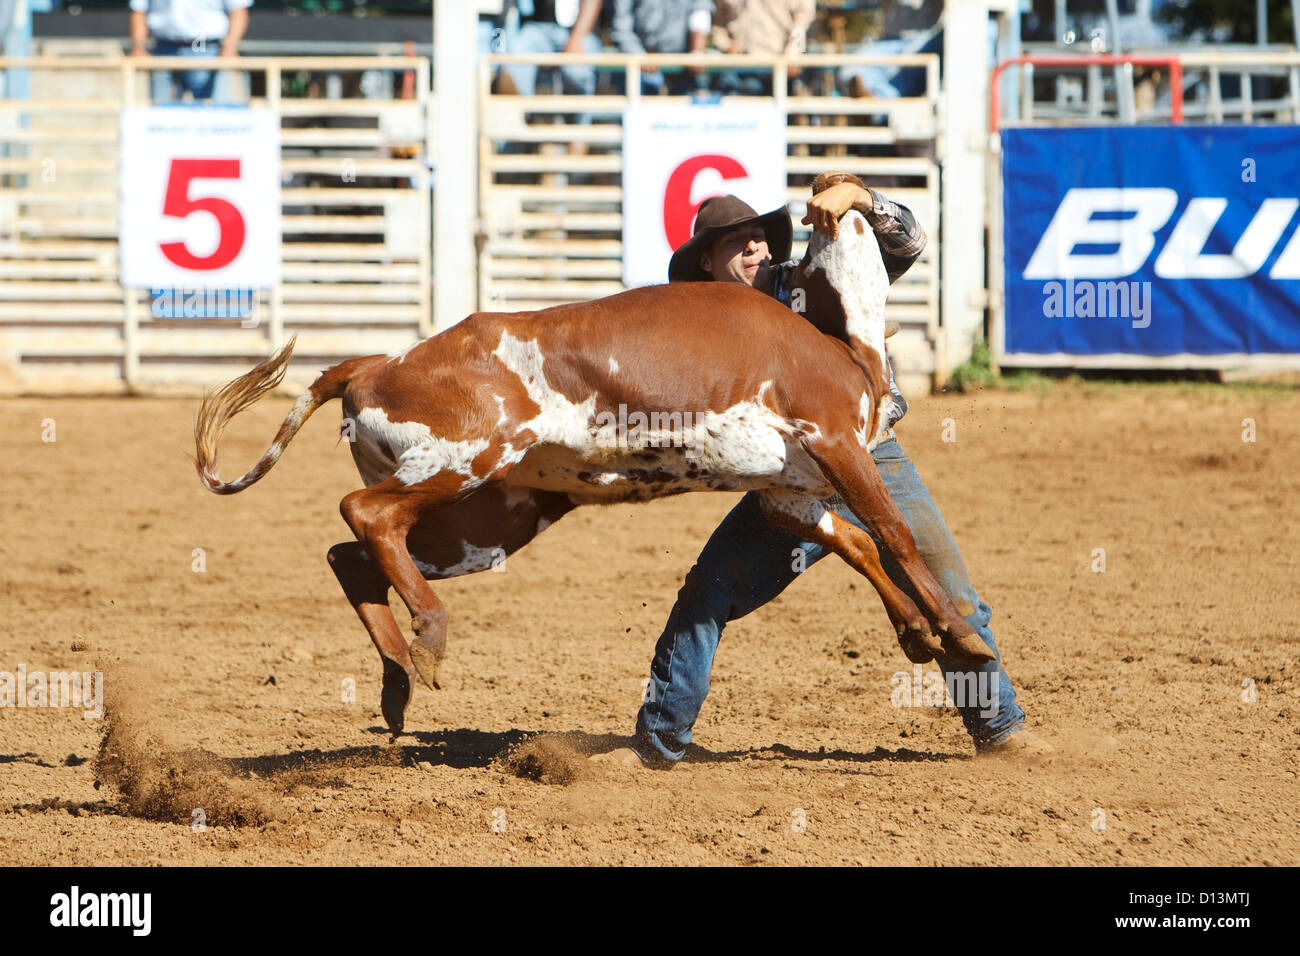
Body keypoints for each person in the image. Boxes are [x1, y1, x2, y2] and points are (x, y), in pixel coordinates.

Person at [595, 174, 1051, 769]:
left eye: (760, 237)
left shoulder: (814, 277)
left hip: (870, 458)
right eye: (738, 242)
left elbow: (907, 246)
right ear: (708, 262)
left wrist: (861, 197)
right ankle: (655, 745)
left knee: (950, 594)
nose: (755, 248)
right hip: (788, 482)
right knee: (708, 592)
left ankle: (1000, 729)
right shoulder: (704, 330)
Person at [128, 0, 251, 104]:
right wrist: (138, 47)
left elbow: (238, 10)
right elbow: (139, 10)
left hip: (205, 46)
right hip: (164, 46)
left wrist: (230, 47)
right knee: (161, 109)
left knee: (211, 112)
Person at [495, 0, 604, 100]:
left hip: (581, 31)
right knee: (516, 53)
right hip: (539, 27)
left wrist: (577, 38)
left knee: (576, 71)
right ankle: (517, 116)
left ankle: (578, 121)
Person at [611, 0, 713, 95]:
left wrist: (697, 51)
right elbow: (621, 28)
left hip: (683, 65)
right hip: (642, 65)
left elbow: (701, 10)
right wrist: (641, 57)